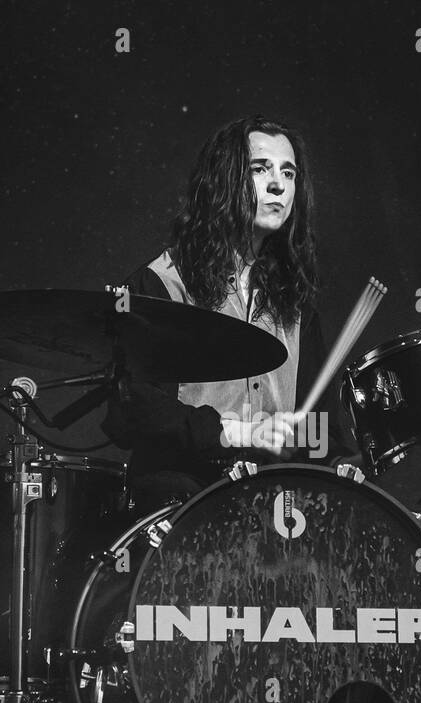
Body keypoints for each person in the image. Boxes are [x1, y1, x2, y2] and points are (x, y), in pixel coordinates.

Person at [103, 115, 354, 511]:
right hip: (184, 500)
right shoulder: (162, 284)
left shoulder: (294, 300)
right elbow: (135, 411)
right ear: (223, 180)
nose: (278, 185)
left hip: (275, 506)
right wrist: (235, 433)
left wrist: (338, 463)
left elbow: (320, 424)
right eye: (260, 169)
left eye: (288, 173)